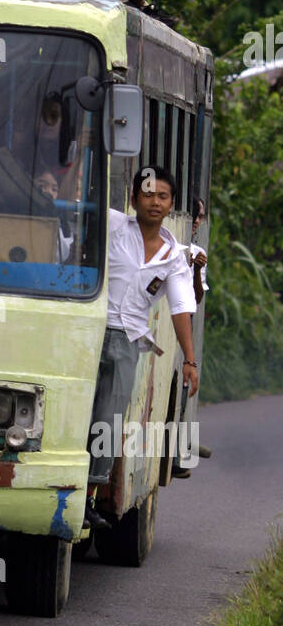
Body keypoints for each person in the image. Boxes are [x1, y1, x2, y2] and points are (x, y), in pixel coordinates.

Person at [85, 165, 198, 530]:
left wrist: (191, 361)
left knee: (107, 420)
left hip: (125, 341)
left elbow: (181, 309)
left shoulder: (174, 257)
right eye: (147, 194)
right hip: (86, 330)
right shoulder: (113, 224)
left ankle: (90, 496)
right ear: (133, 198)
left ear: (170, 205)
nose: (154, 201)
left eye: (162, 196)